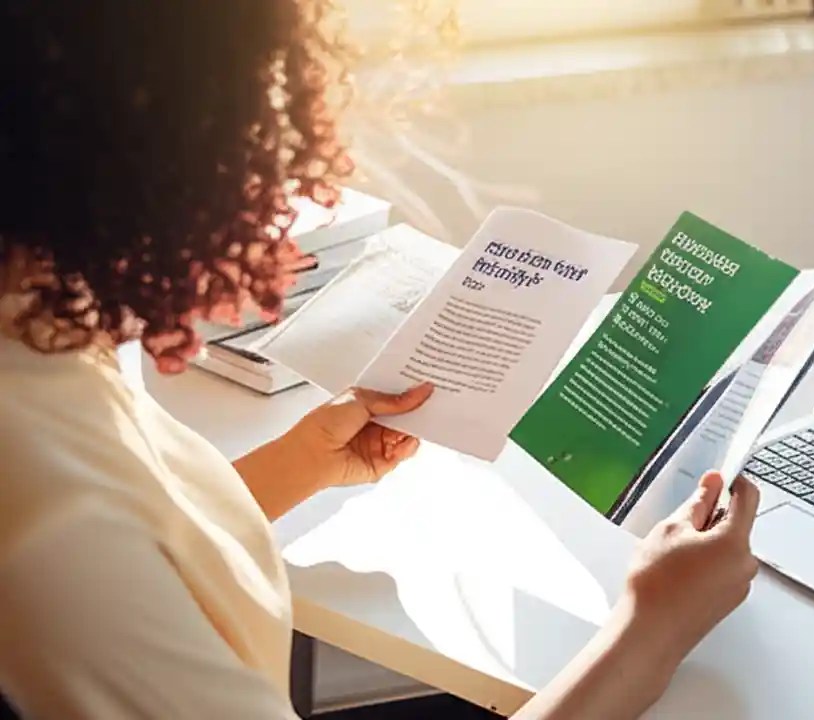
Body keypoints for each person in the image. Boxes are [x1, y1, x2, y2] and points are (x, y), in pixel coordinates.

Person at [0, 3, 760, 718]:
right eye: (250, 119)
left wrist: (298, 465)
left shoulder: (38, 330)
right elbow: (92, 550)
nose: (277, 174)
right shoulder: (51, 531)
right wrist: (653, 625)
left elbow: (138, 547)